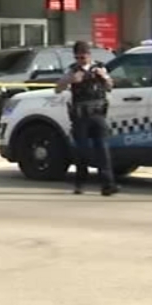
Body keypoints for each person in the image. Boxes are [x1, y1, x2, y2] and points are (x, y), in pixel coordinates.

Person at [56, 40, 118, 196]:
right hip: (80, 116)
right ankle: (80, 183)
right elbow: (58, 89)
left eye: (83, 57)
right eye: (77, 57)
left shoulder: (99, 67)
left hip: (98, 114)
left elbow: (110, 86)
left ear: (89, 55)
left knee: (103, 150)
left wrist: (104, 77)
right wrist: (70, 80)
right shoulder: (72, 70)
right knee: (82, 151)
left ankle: (108, 185)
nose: (80, 60)